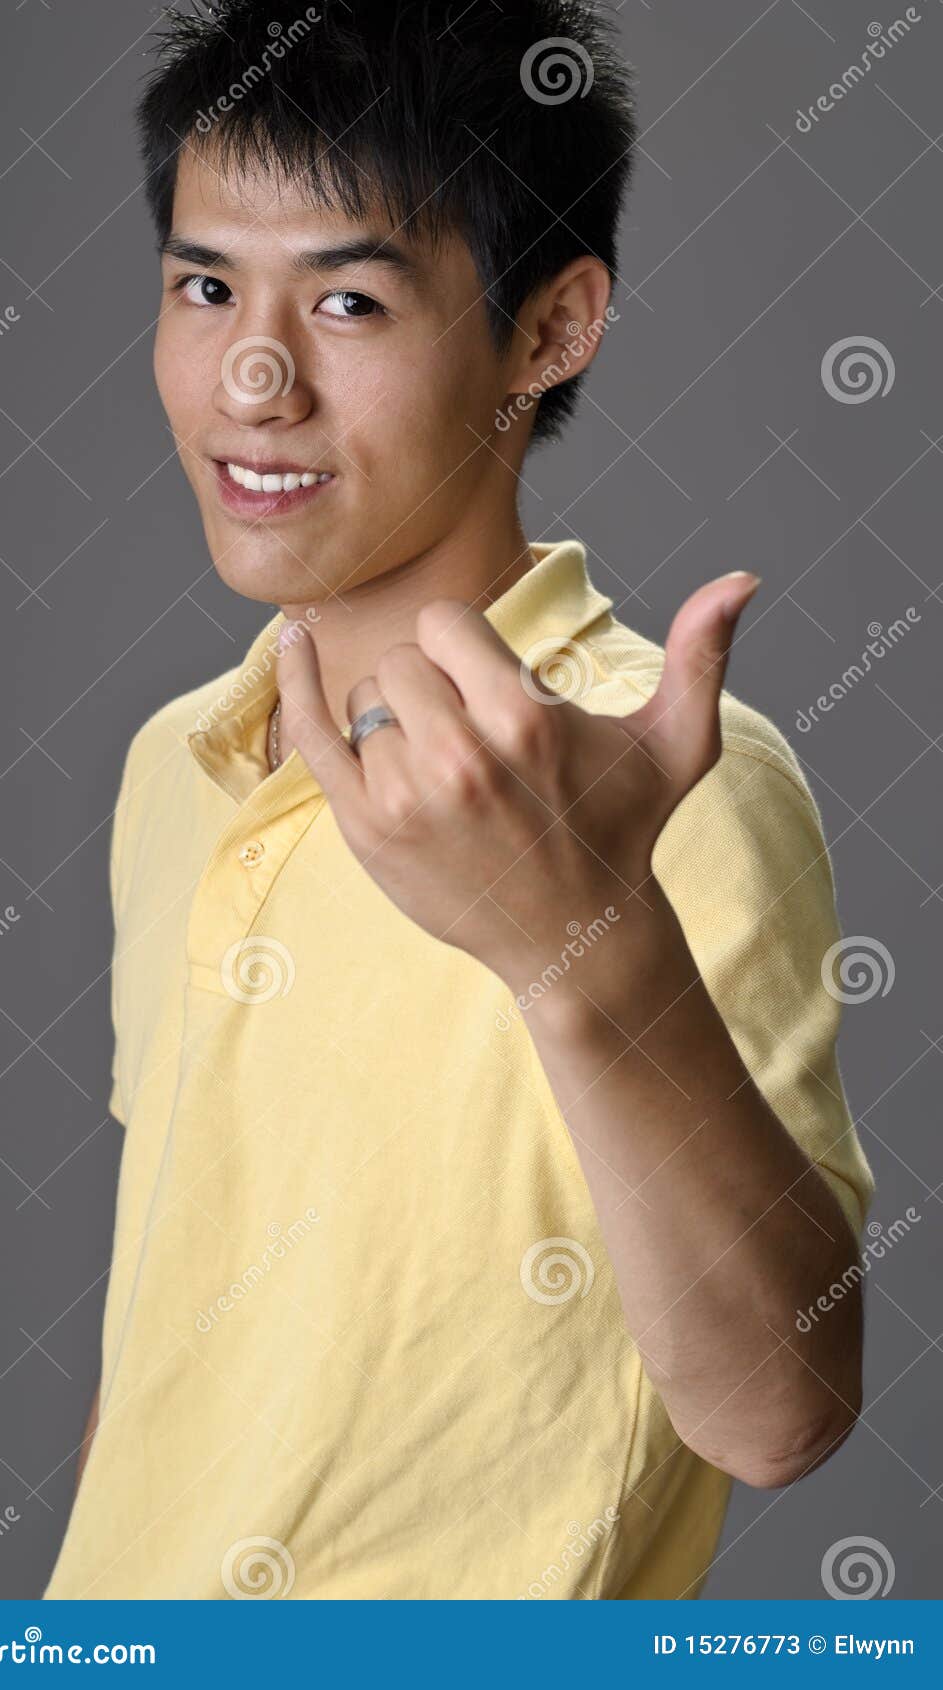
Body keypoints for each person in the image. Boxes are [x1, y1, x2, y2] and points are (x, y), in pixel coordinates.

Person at [43, 0, 874, 1600]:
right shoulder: (179, 765)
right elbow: (183, 1346)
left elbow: (782, 1411)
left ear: (553, 327)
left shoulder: (662, 778)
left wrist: (591, 942)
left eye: (349, 298)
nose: (254, 376)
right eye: (204, 287)